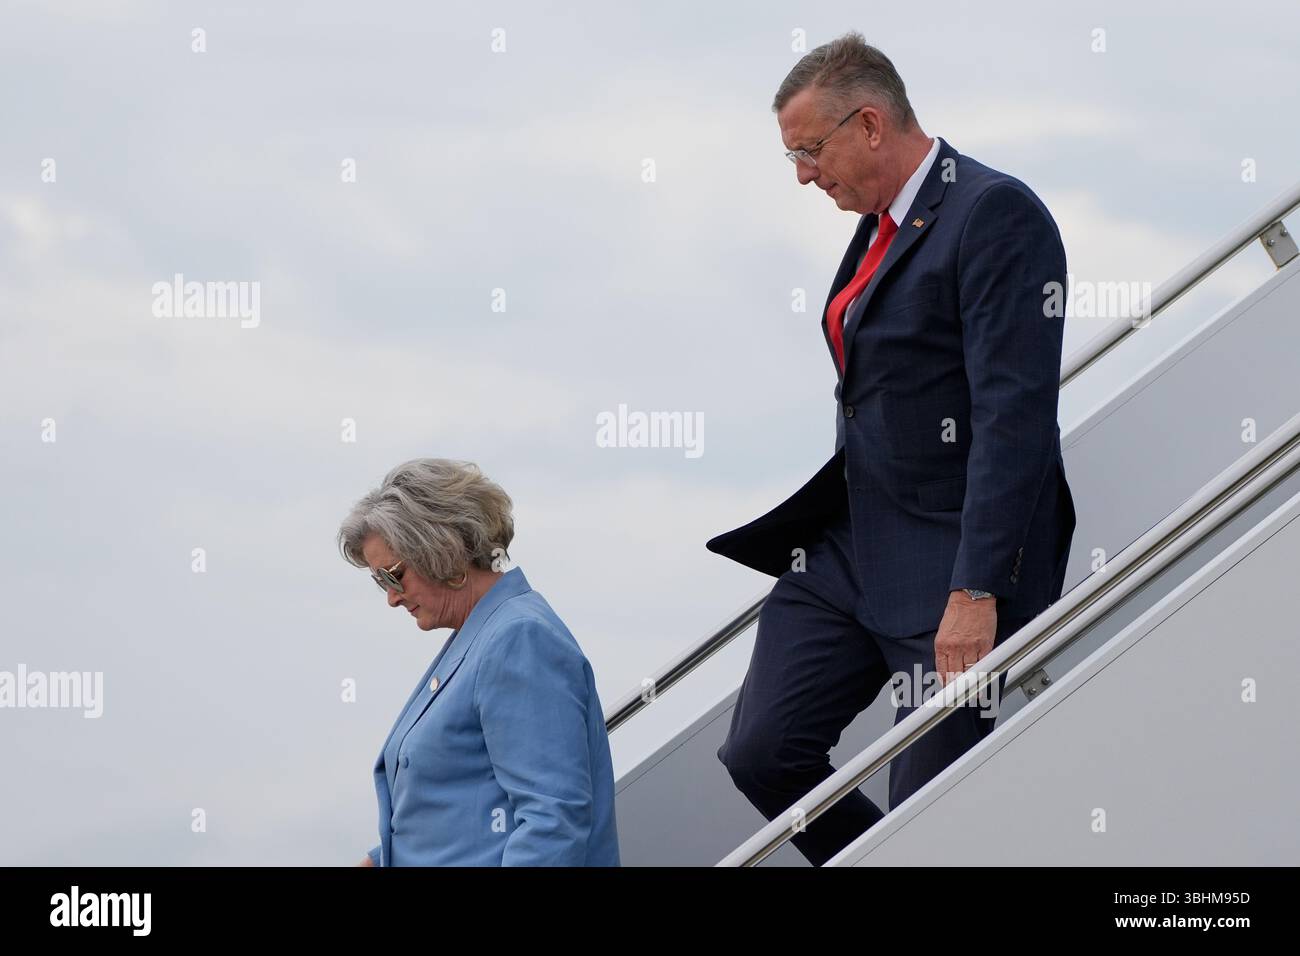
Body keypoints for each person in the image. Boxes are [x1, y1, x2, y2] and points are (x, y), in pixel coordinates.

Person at [707, 33, 1076, 866]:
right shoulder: (880, 223)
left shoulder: (993, 214)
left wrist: (977, 586)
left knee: (926, 810)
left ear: (869, 124)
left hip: (955, 560)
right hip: (848, 549)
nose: (803, 174)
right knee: (760, 751)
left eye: (808, 150)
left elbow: (1015, 417)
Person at [338, 458, 619, 866]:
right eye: (380, 581)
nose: (391, 597)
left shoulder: (519, 638)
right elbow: (460, 812)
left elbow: (551, 820)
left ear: (442, 551)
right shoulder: (482, 636)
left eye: (393, 576)